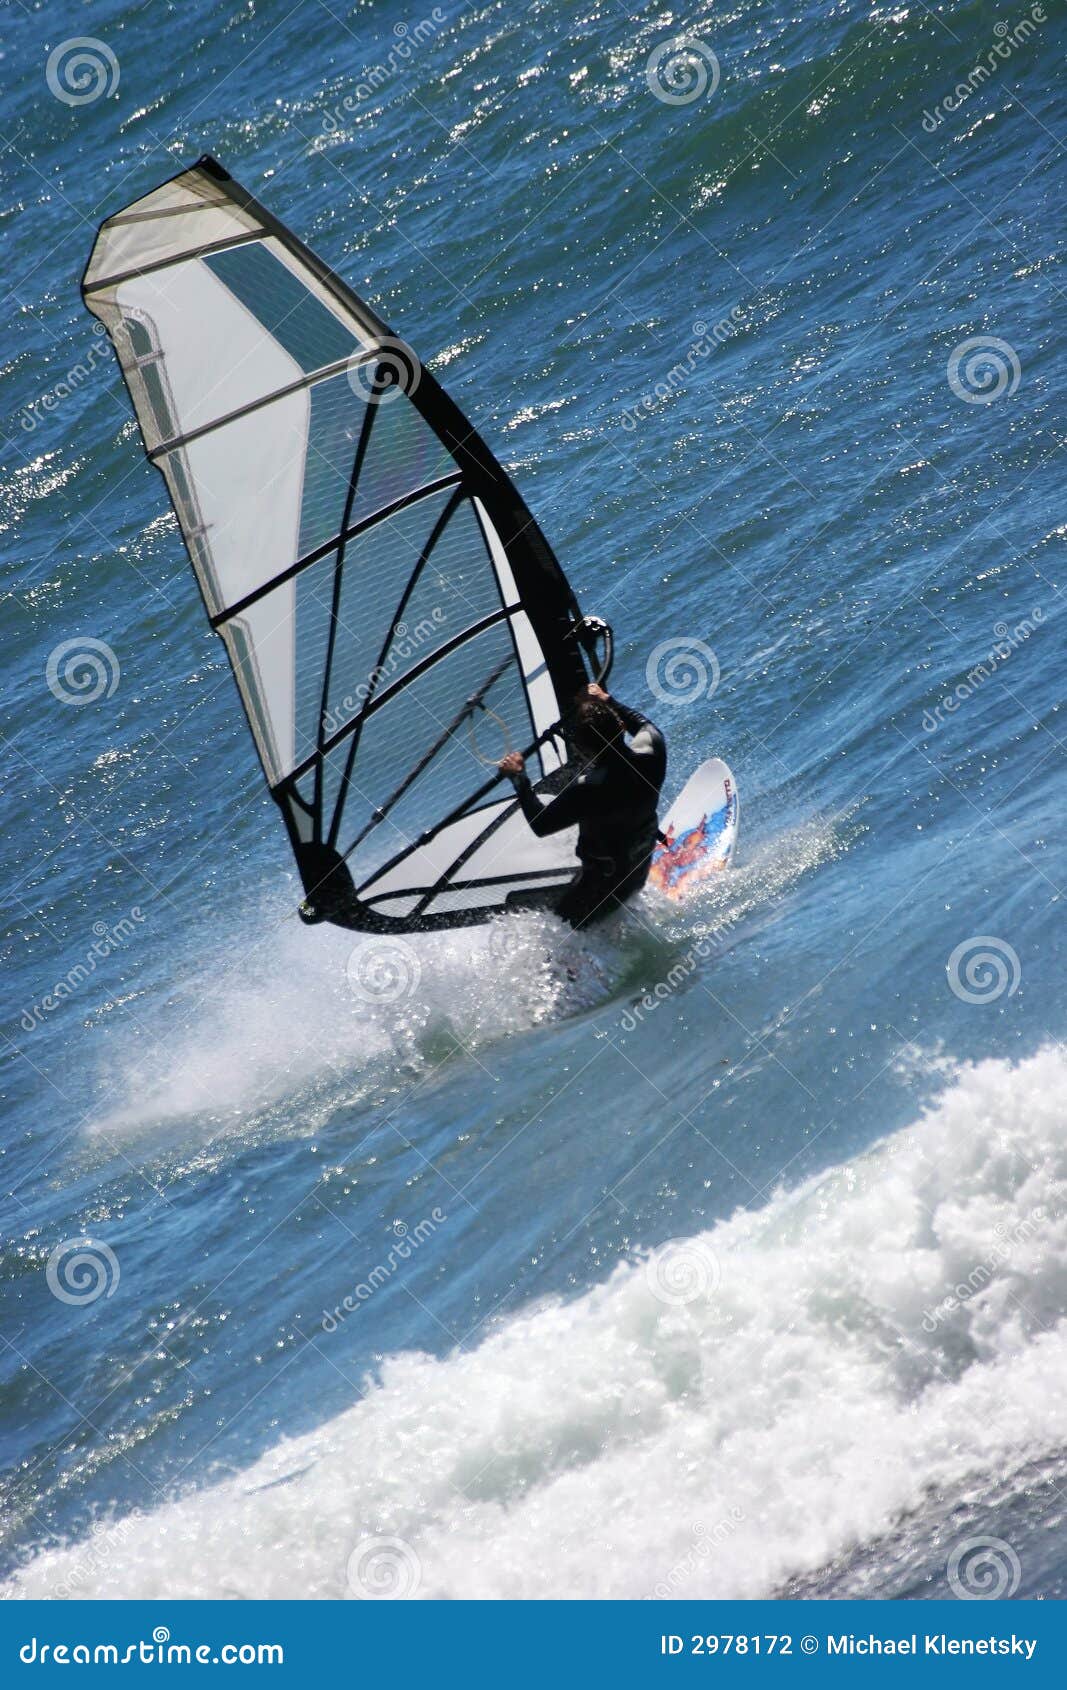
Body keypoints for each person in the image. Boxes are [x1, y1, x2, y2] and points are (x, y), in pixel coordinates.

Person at [499, 683, 666, 929]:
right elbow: (642, 724)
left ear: (584, 750)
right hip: (637, 875)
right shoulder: (653, 751)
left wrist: (519, 778)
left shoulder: (588, 790)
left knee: (560, 932)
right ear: (620, 725)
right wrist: (608, 700)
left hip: (595, 895)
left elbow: (541, 824)